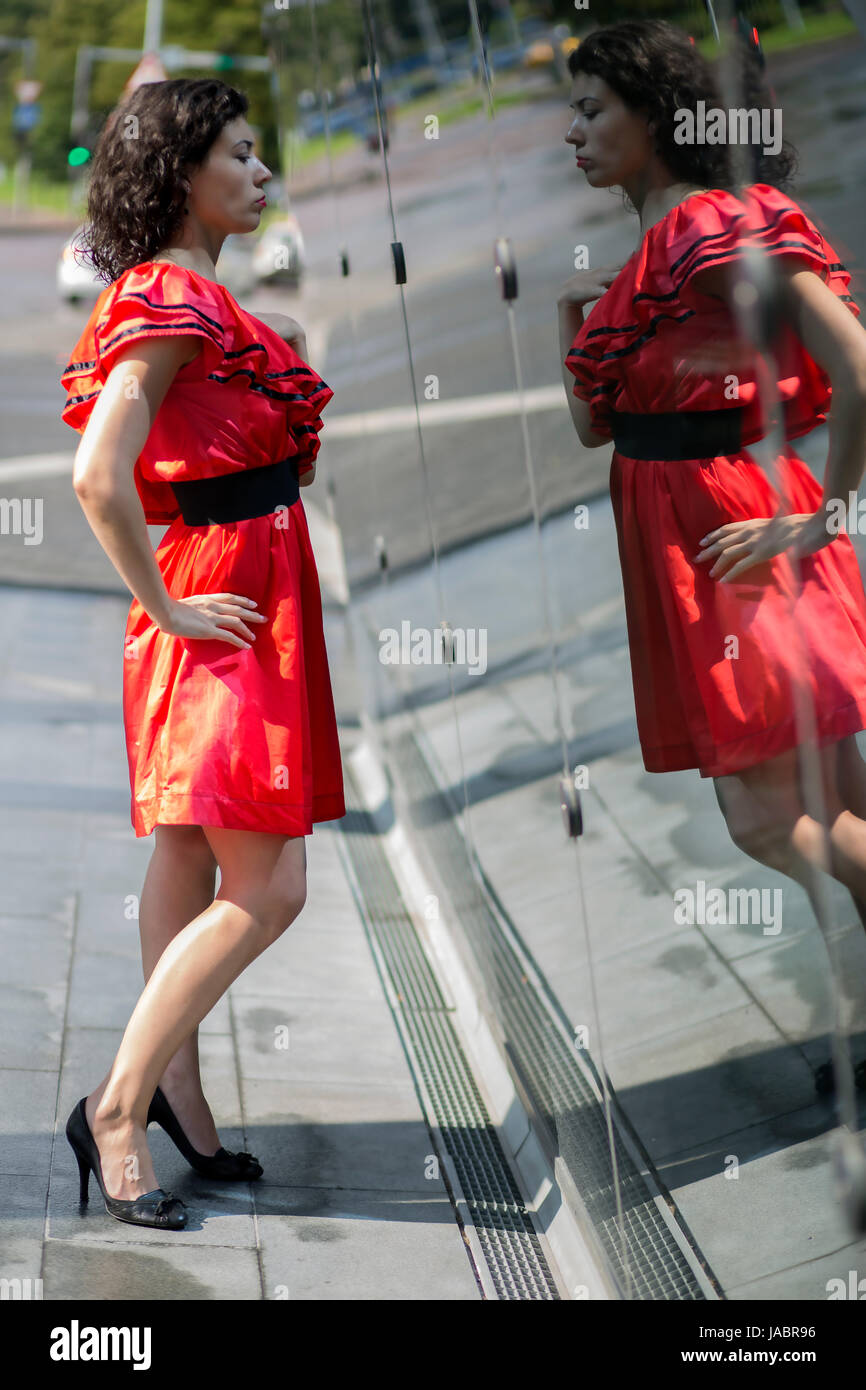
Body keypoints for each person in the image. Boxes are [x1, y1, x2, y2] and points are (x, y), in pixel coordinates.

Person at [59, 78, 345, 1229]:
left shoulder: (187, 292)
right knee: (269, 882)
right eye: (241, 151)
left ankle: (173, 1093)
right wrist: (170, 610)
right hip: (221, 597)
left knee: (186, 849)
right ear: (184, 173)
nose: (263, 172)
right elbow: (96, 474)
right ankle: (117, 1106)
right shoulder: (172, 297)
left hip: (236, 586)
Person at [559, 21, 866, 1087]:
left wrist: (823, 517)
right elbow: (603, 431)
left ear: (652, 115)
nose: (572, 134)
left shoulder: (717, 224)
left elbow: (855, 364)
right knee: (829, 793)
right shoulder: (655, 251)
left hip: (734, 523)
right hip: (683, 530)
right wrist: (581, 341)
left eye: (593, 110)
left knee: (766, 811)